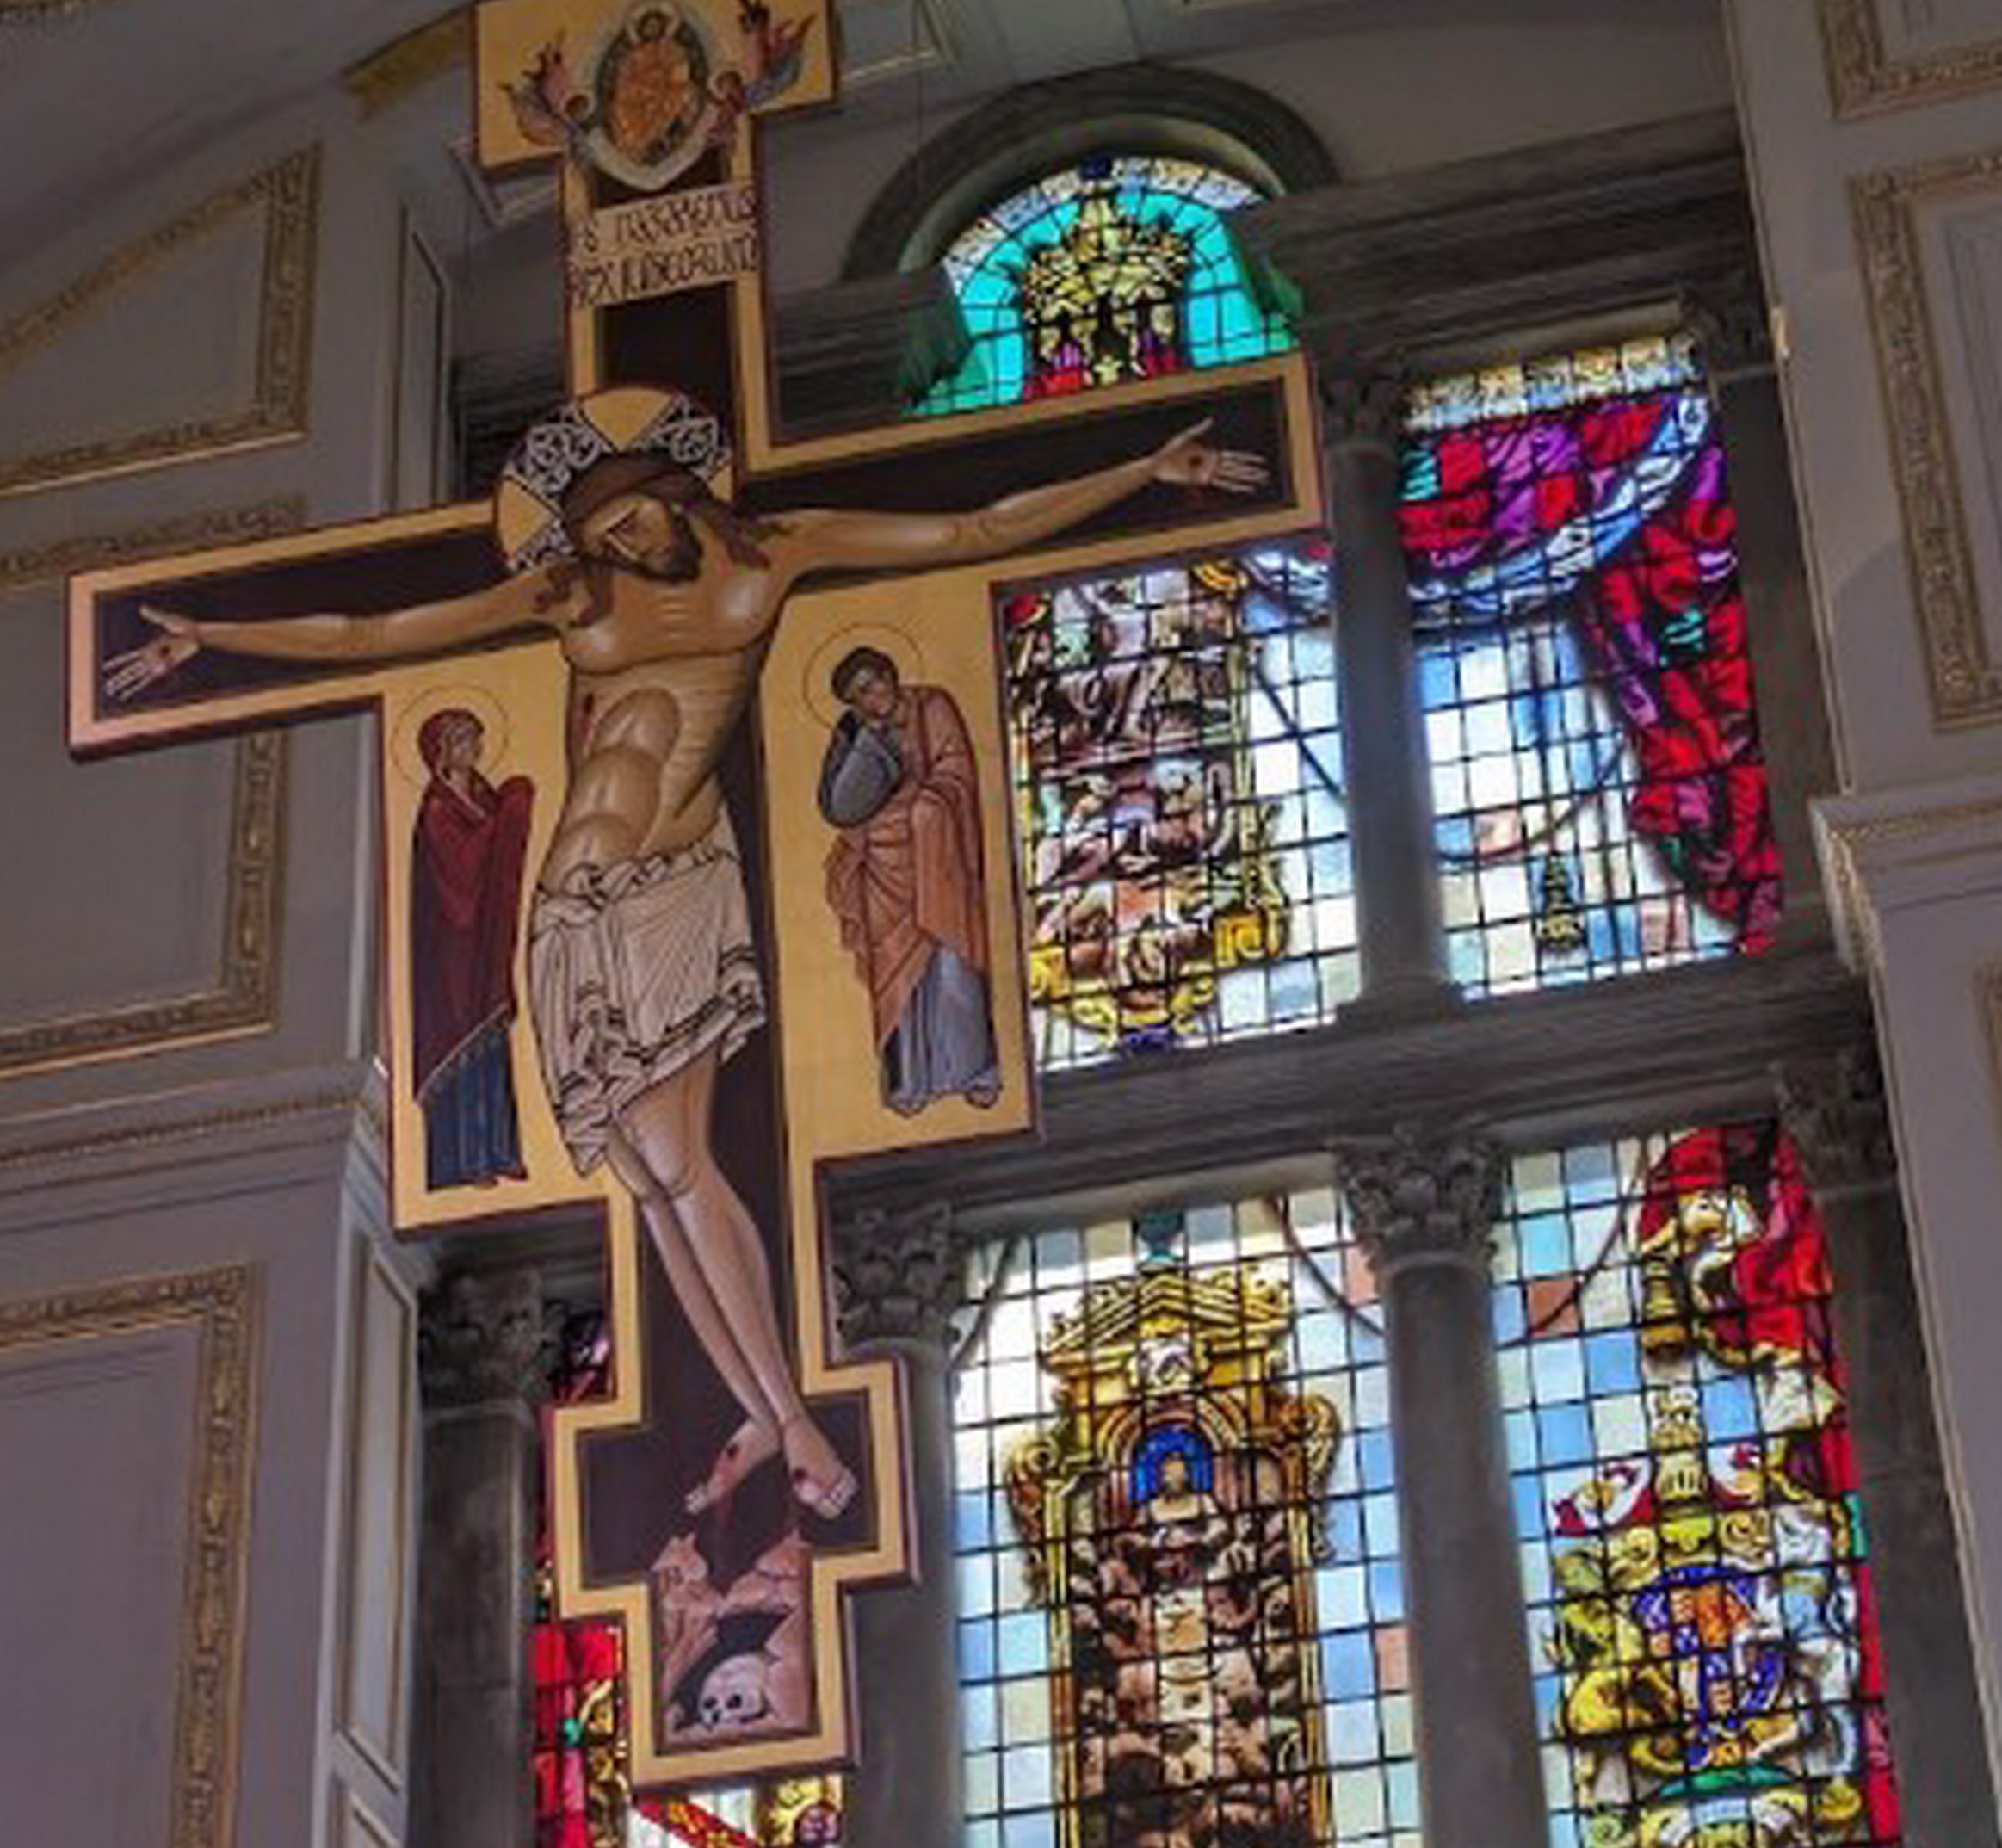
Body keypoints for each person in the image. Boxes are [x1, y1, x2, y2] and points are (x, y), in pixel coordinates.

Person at [104, 388, 1265, 1527]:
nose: (626, 548)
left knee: (684, 1164)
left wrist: (1141, 474)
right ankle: (769, 1411)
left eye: (635, 523)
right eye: (604, 538)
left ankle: (790, 1415)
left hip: (677, 886)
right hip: (580, 902)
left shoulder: (774, 552)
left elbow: (972, 528)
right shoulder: (566, 594)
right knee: (654, 1181)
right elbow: (373, 632)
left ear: (672, 494)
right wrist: (210, 638)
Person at [817, 645, 1001, 1116]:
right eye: (858, 697)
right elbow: (841, 806)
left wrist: (922, 807)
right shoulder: (862, 734)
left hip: (937, 857)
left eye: (872, 684)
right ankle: (911, 1082)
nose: (870, 699)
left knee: (950, 962)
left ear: (890, 675)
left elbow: (957, 774)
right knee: (896, 972)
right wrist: (864, 747)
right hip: (887, 873)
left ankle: (974, 1069)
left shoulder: (932, 706)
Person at [408, 706, 533, 1187]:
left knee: (492, 1045)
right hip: (449, 957)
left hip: (481, 945)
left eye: (475, 741)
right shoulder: (438, 808)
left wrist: (509, 810)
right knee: (462, 1046)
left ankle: (499, 1150)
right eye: (463, 742)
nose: (473, 750)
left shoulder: (480, 793)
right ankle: (467, 1161)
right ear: (442, 752)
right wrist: (511, 813)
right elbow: (458, 877)